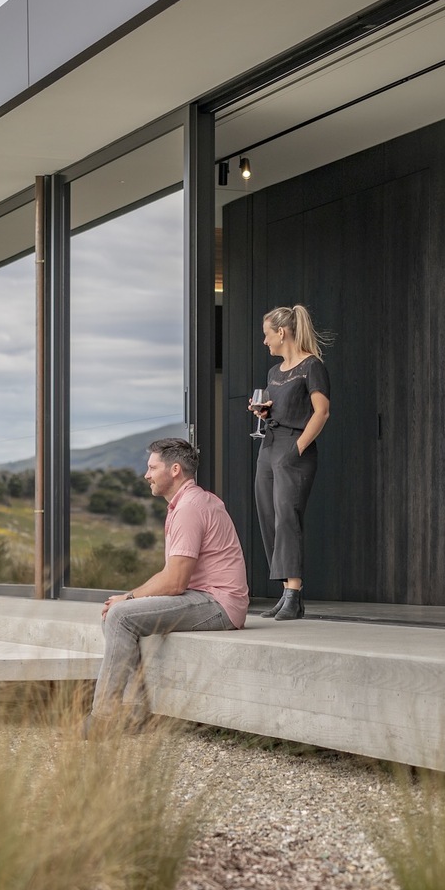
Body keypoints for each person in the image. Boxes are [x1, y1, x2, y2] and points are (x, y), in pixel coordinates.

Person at [90, 437, 248, 732]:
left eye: (152, 467)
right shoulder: (190, 502)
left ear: (175, 470)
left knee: (121, 615)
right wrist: (129, 599)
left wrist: (128, 597)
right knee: (119, 615)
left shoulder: (190, 508)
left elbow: (175, 581)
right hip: (205, 598)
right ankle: (133, 716)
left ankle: (104, 720)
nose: (146, 474)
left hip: (218, 605)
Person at [247, 304, 332, 620]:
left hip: (293, 450)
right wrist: (264, 412)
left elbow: (321, 412)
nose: (265, 341)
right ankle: (286, 592)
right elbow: (280, 409)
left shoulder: (312, 367)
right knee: (269, 517)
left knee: (287, 517)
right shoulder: (273, 373)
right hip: (268, 446)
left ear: (281, 332)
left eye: (267, 335)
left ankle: (294, 594)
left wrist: (296, 448)